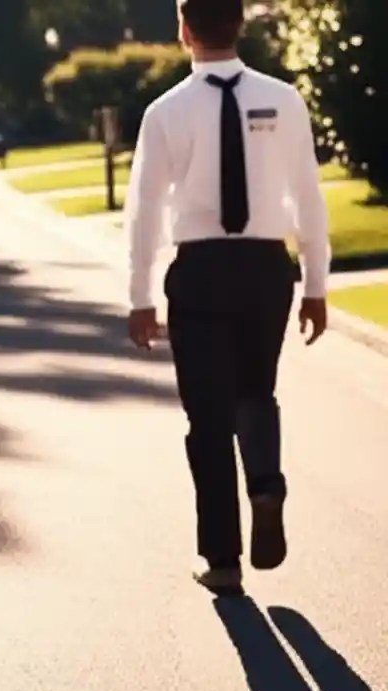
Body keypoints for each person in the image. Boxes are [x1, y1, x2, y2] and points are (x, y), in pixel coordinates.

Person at [125, 0, 330, 594]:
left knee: (206, 420)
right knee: (255, 390)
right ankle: (264, 481)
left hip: (202, 272)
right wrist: (316, 284)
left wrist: (140, 296)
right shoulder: (285, 100)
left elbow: (144, 212)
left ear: (183, 29)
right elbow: (308, 197)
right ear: (240, 25)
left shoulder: (165, 112)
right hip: (268, 269)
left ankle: (222, 560)